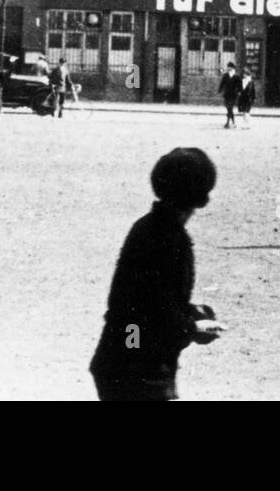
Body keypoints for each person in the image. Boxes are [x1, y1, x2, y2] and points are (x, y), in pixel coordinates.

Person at [89, 148, 222, 401]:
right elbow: (153, 306)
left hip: (127, 353)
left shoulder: (149, 226)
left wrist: (188, 313)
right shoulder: (169, 238)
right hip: (137, 364)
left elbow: (147, 297)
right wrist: (192, 327)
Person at [217, 62, 241, 129]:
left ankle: (228, 123)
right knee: (229, 109)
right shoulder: (225, 75)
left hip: (233, 95)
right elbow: (222, 83)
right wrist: (219, 90)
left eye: (229, 67)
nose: (228, 68)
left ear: (232, 68)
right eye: (227, 67)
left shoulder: (236, 76)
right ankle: (233, 123)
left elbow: (240, 85)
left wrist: (239, 92)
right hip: (226, 94)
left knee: (230, 108)